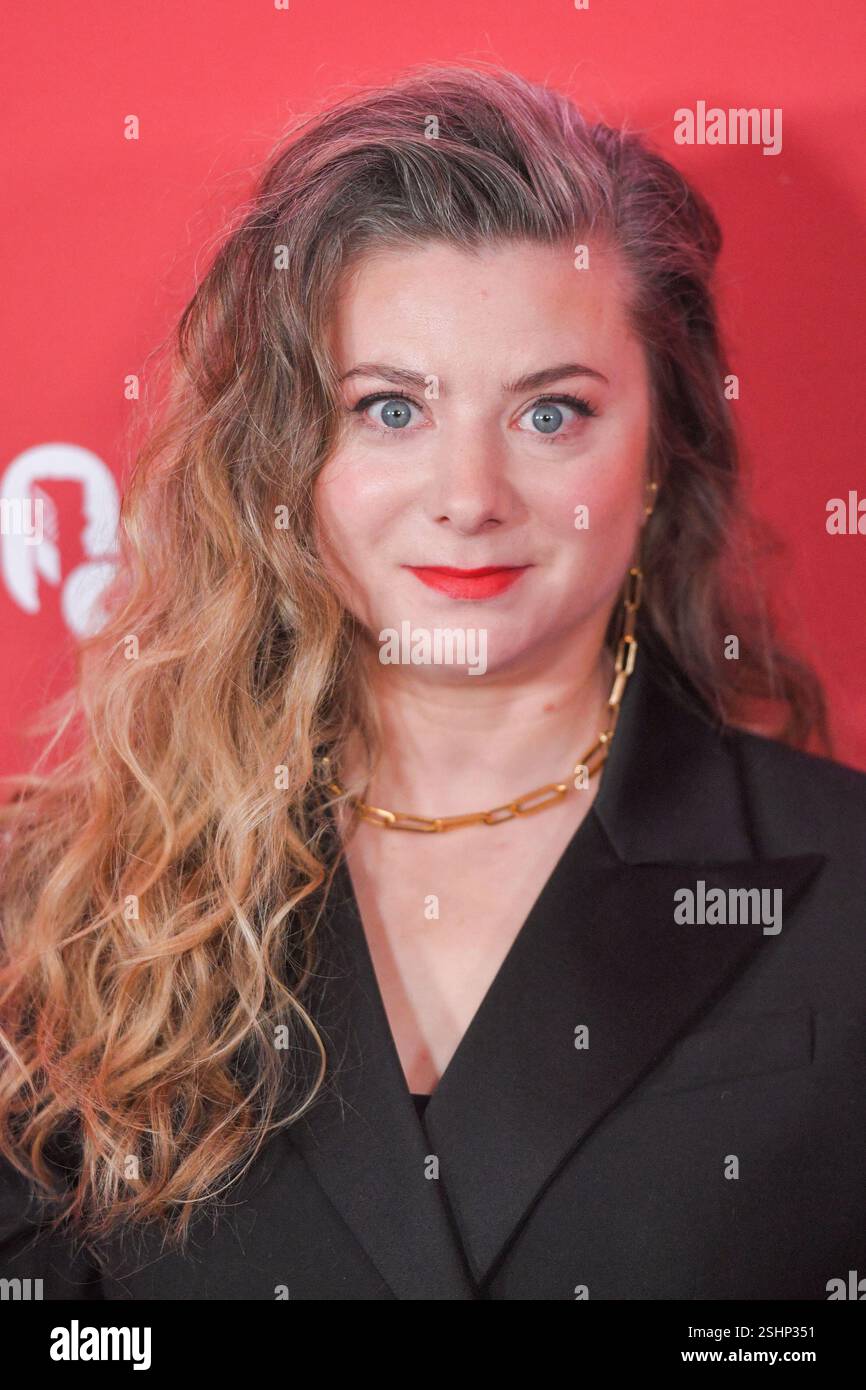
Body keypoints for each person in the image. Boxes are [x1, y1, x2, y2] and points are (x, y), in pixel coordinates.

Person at [1, 62, 865, 1302]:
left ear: (663, 446)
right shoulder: (56, 915)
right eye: (390, 409)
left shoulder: (843, 886)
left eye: (551, 414)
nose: (468, 496)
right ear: (284, 457)